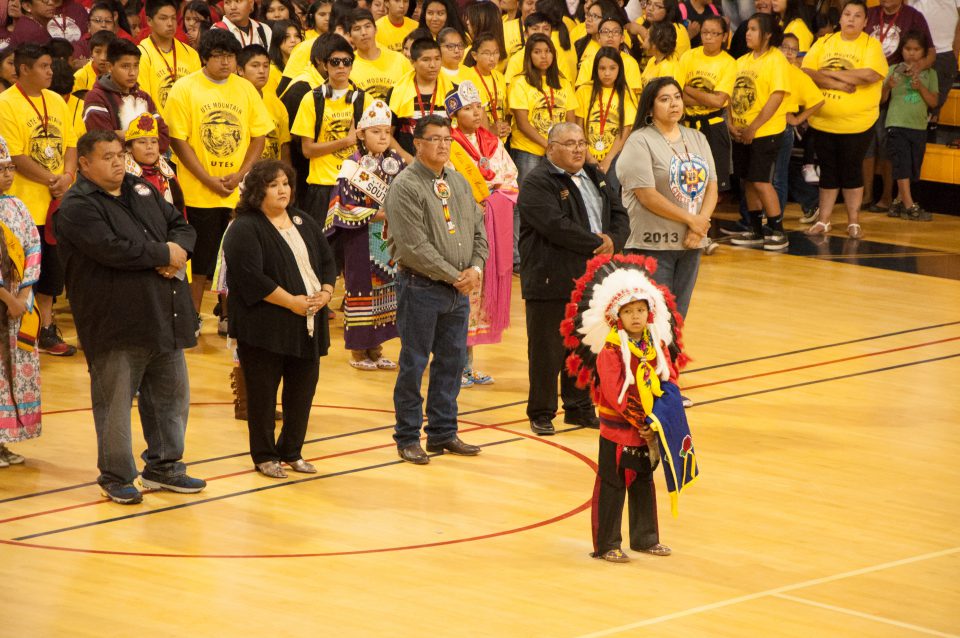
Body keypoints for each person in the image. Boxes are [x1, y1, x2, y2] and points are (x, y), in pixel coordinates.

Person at [57, 129, 205, 504]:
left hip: (163, 313)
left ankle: (165, 466)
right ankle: (116, 475)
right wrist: (164, 254)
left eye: (120, 155)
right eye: (107, 157)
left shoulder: (141, 189)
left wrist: (178, 252)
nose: (117, 163)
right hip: (115, 322)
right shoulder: (77, 206)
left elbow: (182, 226)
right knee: (115, 405)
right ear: (84, 163)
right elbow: (113, 250)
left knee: (172, 398)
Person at [561, 255, 697, 561]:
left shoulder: (656, 345)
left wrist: (659, 419)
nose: (635, 316)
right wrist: (642, 421)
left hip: (647, 429)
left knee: (643, 481)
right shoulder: (610, 350)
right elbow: (615, 393)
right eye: (628, 311)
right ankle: (607, 544)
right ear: (616, 316)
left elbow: (668, 380)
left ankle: (645, 538)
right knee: (613, 484)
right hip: (619, 429)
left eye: (640, 310)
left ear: (650, 312)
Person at [384, 114, 488, 465]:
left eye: (448, 139)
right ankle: (407, 436)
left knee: (452, 361)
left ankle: (443, 432)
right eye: (435, 139)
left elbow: (479, 229)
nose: (443, 145)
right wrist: (456, 275)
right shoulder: (405, 185)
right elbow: (413, 246)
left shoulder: (457, 182)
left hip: (457, 291)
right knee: (414, 363)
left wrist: (475, 268)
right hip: (421, 287)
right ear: (418, 144)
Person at [223, 159, 335, 478]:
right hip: (264, 327)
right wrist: (292, 303)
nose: (282, 190)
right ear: (257, 191)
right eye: (273, 185)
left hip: (307, 324)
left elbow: (327, 260)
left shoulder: (302, 219)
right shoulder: (244, 227)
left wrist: (326, 293)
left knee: (302, 393)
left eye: (285, 183)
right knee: (263, 395)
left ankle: (292, 451)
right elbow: (251, 278)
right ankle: (264, 455)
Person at [518, 122, 629, 436]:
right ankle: (541, 412)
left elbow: (620, 213)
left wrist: (614, 240)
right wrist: (598, 244)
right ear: (551, 148)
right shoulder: (538, 181)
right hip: (549, 278)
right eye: (569, 144)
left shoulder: (595, 174)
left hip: (592, 279)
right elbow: (556, 226)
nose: (578, 149)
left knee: (585, 346)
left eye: (582, 142)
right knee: (546, 350)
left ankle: (579, 408)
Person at [164, 29, 273, 321]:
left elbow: (259, 136)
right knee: (199, 261)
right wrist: (206, 178)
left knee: (233, 258)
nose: (225, 62)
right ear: (204, 58)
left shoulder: (245, 89)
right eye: (218, 56)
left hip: (237, 191)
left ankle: (229, 315)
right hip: (197, 192)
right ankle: (191, 317)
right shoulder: (185, 88)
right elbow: (178, 141)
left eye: (230, 56)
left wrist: (240, 174)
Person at [0, 43, 78, 356]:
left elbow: (71, 144)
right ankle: (20, 329)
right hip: (22, 206)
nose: (50, 72)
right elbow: (15, 155)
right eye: (44, 66)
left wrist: (68, 176)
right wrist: (51, 179)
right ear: (24, 69)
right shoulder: (6, 104)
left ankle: (45, 327)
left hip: (56, 204)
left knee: (52, 273)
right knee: (23, 272)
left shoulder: (56, 100)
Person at [444, 81, 519, 387]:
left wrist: (492, 195)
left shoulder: (491, 142)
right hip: (462, 226)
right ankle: (453, 366)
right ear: (454, 115)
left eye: (478, 107)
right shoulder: (448, 144)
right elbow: (447, 183)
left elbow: (510, 178)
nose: (476, 113)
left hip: (489, 221)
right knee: (464, 291)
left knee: (479, 292)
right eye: (467, 108)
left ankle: (468, 365)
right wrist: (478, 196)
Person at [325, 99, 404, 369]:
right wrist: (376, 214)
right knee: (361, 289)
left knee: (386, 290)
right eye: (376, 131)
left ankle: (376, 348)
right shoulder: (352, 165)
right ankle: (359, 350)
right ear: (361, 134)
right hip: (360, 236)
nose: (382, 137)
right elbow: (341, 206)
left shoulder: (395, 162)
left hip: (388, 238)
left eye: (386, 132)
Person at [802, 0, 888, 239]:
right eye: (847, 14)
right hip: (822, 121)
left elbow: (870, 74)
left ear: (865, 21)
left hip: (857, 124)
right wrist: (839, 83)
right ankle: (823, 220)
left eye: (857, 15)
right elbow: (808, 72)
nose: (851, 19)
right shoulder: (824, 42)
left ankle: (853, 222)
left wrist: (829, 73)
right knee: (828, 171)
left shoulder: (871, 45)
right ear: (840, 19)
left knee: (851, 171)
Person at [862, 0, 934, 213]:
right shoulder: (869, 13)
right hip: (865, 85)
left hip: (896, 86)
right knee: (866, 144)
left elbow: (930, 52)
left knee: (887, 145)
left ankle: (886, 196)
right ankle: (866, 195)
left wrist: (917, 67)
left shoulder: (913, 16)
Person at [727, 12, 792, 250]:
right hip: (742, 131)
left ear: (767, 35)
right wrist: (731, 123)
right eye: (747, 29)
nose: (748, 34)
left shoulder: (776, 60)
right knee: (748, 181)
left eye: (753, 29)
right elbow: (729, 95)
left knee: (761, 180)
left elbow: (776, 97)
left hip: (766, 131)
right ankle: (754, 229)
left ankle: (777, 230)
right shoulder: (741, 61)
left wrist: (753, 127)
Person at [291, 34, 373, 220]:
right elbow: (307, 150)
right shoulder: (311, 99)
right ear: (325, 65)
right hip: (322, 187)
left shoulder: (365, 100)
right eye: (335, 62)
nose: (341, 66)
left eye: (346, 61)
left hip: (356, 184)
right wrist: (346, 141)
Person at [0, 134, 41, 468]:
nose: (8, 175)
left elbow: (33, 246)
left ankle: (4, 440)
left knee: (14, 370)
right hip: (4, 298)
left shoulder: (17, 206)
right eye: (1, 169)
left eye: (10, 167)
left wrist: (24, 294)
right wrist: (6, 298)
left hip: (18, 301)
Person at [881, 31, 939, 221]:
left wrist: (920, 87)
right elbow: (881, 99)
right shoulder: (893, 69)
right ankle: (909, 206)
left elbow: (933, 102)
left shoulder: (930, 74)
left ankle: (898, 201)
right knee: (902, 164)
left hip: (919, 126)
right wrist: (887, 86)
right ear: (902, 50)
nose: (911, 53)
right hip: (897, 123)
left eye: (916, 49)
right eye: (907, 49)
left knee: (913, 167)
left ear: (923, 52)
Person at [678, 14, 735, 193]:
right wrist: (706, 97)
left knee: (713, 183)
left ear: (724, 36)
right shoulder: (688, 56)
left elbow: (718, 101)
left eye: (714, 33)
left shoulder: (729, 63)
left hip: (714, 126)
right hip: (686, 125)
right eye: (705, 33)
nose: (708, 37)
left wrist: (689, 89)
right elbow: (677, 94)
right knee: (687, 182)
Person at [82, 39, 170, 151]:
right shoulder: (96, 98)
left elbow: (164, 138)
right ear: (109, 67)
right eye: (125, 66)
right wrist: (148, 138)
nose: (132, 73)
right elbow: (104, 143)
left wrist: (122, 134)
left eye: (136, 66)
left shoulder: (144, 97)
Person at [575, 46, 637, 195]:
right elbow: (578, 127)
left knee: (609, 196)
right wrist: (588, 156)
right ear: (595, 69)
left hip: (614, 156)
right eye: (602, 68)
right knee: (586, 196)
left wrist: (608, 159)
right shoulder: (584, 90)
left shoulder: (626, 93)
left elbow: (625, 130)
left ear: (619, 69)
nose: (607, 73)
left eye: (612, 68)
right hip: (585, 154)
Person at [387, 37, 453, 159]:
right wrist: (407, 159)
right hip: (409, 163)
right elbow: (387, 134)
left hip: (447, 162)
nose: (433, 65)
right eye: (426, 60)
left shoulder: (453, 91)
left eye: (437, 59)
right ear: (413, 62)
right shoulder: (397, 92)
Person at [139, 0, 202, 118]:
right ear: (149, 21)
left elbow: (197, 97)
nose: (170, 24)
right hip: (158, 125)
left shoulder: (191, 54)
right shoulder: (142, 55)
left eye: (173, 18)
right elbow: (143, 100)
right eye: (163, 18)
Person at [237, 44, 292, 163]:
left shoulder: (277, 104)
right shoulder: (234, 101)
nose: (262, 71)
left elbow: (284, 147)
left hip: (272, 171)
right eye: (255, 66)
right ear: (240, 70)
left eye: (266, 66)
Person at [123, 111, 184, 212]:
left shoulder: (169, 176)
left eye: (154, 142)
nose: (149, 146)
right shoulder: (123, 177)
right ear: (129, 147)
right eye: (142, 142)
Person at [349, 8, 414, 102]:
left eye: (367, 26)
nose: (363, 32)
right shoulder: (346, 65)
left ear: (376, 29)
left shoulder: (400, 61)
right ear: (350, 36)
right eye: (357, 29)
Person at [461, 33, 512, 140]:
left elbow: (506, 110)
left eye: (496, 53)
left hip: (499, 141)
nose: (492, 58)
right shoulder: (467, 76)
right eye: (487, 53)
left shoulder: (499, 77)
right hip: (478, 139)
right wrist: (489, 129)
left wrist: (505, 126)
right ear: (474, 55)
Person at [640, 21, 683, 88]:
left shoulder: (669, 68)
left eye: (647, 35)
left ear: (654, 44)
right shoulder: (652, 60)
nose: (644, 39)